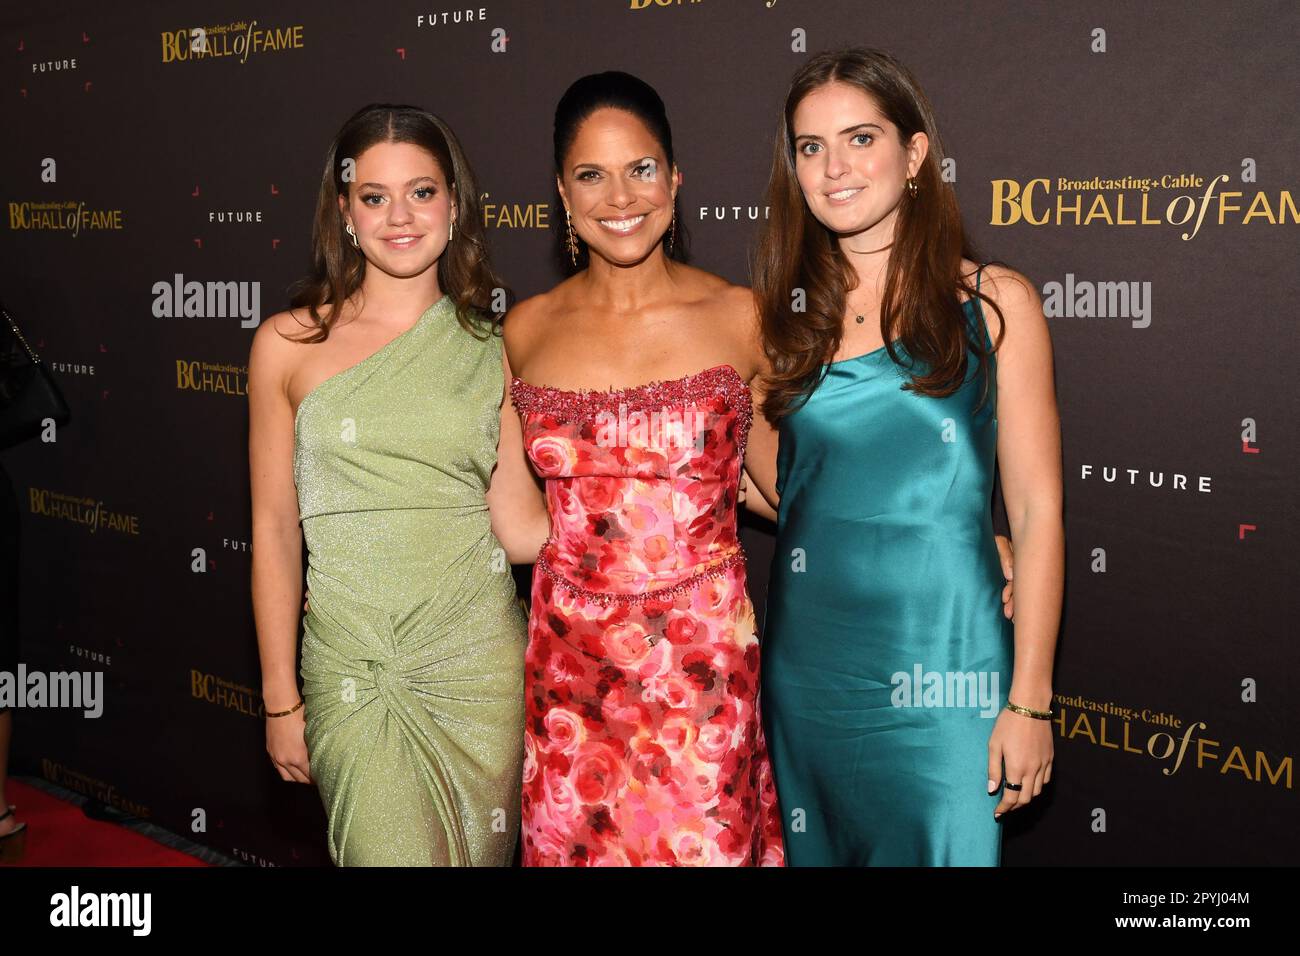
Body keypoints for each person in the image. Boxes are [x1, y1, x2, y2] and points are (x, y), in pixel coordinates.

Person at [747, 48, 1063, 866]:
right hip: (811, 671)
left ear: (915, 154)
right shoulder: (779, 326)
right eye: (811, 148)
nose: (835, 167)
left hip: (950, 669)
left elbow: (1035, 511)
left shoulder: (994, 303)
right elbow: (786, 493)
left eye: (860, 139)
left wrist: (1029, 701)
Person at [248, 104, 546, 866]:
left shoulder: (492, 346)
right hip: (355, 669)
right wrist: (280, 698)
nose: (400, 216)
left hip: (478, 666)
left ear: (455, 204)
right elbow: (276, 531)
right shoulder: (287, 344)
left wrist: (658, 499)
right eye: (374, 197)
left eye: (422, 192)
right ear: (344, 212)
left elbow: (519, 527)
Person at [503, 72, 784, 866]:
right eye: (591, 174)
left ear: (676, 178)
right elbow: (521, 528)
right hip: (569, 677)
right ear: (562, 190)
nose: (619, 196)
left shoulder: (738, 317)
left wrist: (960, 542)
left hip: (700, 679)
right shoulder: (523, 331)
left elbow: (789, 488)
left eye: (642, 168)